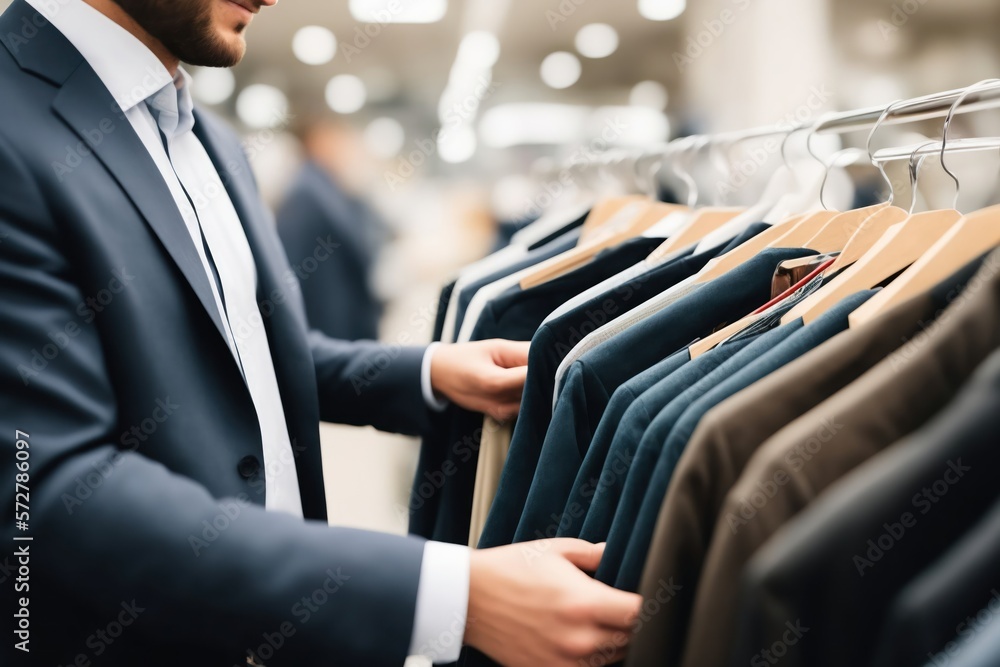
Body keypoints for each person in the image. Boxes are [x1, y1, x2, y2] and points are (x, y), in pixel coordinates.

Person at [0, 0, 641, 665]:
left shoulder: (207, 137)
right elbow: (46, 491)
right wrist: (453, 598)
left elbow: (243, 348)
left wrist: (426, 372)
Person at [276, 118, 385, 342]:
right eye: (341, 141)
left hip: (334, 326)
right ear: (319, 141)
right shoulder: (307, 194)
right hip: (327, 327)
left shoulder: (324, 189)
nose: (348, 151)